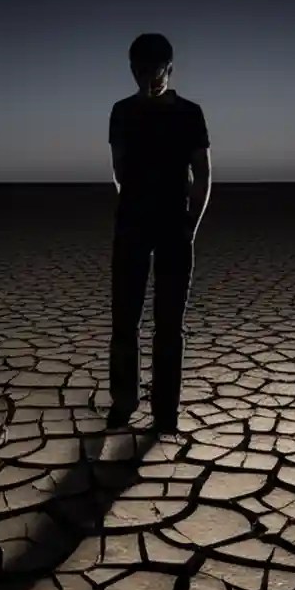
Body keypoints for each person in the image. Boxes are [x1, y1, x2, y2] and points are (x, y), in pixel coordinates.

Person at [106, 32, 212, 435]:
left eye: (155, 70)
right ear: (132, 69)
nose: (148, 78)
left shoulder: (189, 113)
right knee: (124, 320)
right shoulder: (121, 112)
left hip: (172, 226)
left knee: (168, 324)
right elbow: (117, 169)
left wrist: (190, 224)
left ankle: (165, 410)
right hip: (132, 225)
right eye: (140, 70)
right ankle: (125, 401)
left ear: (170, 68)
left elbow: (203, 173)